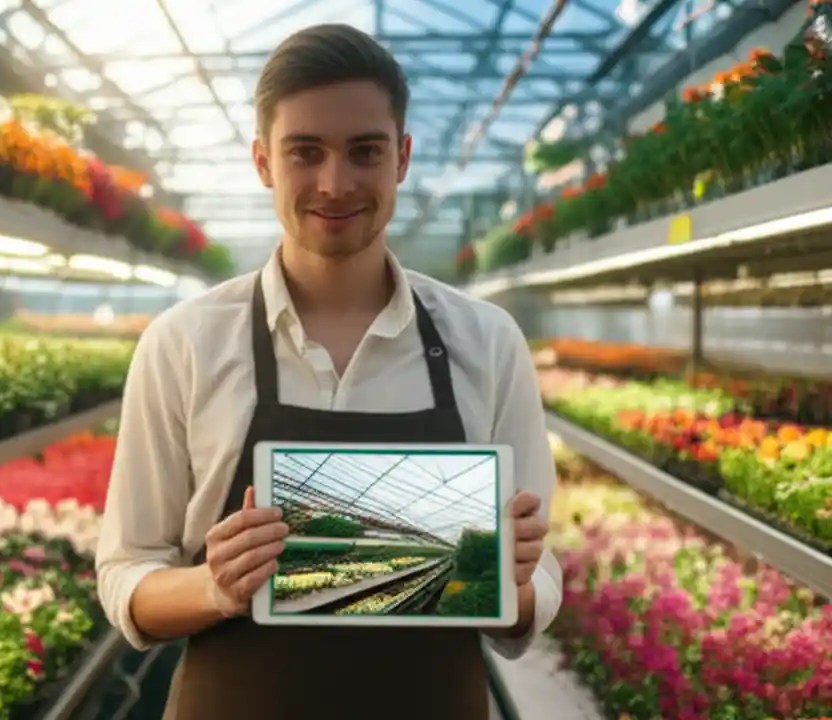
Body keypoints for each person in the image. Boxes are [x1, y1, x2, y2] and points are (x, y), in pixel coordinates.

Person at [95, 23, 562, 720]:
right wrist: (215, 588)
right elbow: (127, 572)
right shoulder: (186, 343)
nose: (335, 183)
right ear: (263, 163)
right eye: (305, 152)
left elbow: (537, 584)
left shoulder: (486, 343)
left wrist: (506, 579)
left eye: (364, 151)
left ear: (401, 158)